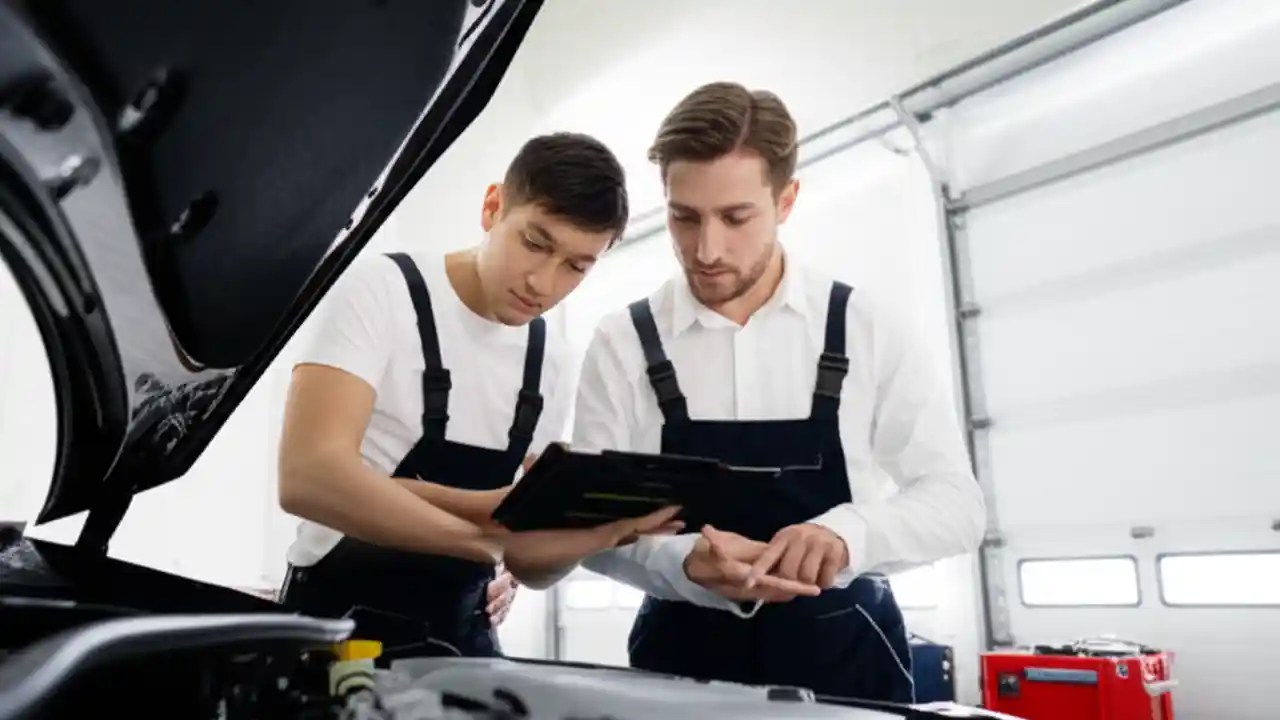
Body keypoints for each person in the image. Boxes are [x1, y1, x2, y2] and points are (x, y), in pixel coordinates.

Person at [505, 83, 985, 702]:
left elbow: (957, 507)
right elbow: (592, 538)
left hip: (847, 655)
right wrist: (682, 564)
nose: (707, 251)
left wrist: (847, 536)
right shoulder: (623, 341)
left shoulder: (866, 327)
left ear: (786, 200)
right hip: (680, 659)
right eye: (684, 217)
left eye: (736, 218)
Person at [276, 132, 681, 660]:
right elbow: (309, 477)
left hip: (461, 637)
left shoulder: (552, 359)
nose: (543, 282)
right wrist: (488, 537)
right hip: (339, 634)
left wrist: (598, 536)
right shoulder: (383, 290)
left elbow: (531, 564)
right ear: (493, 206)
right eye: (535, 243)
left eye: (577, 266)